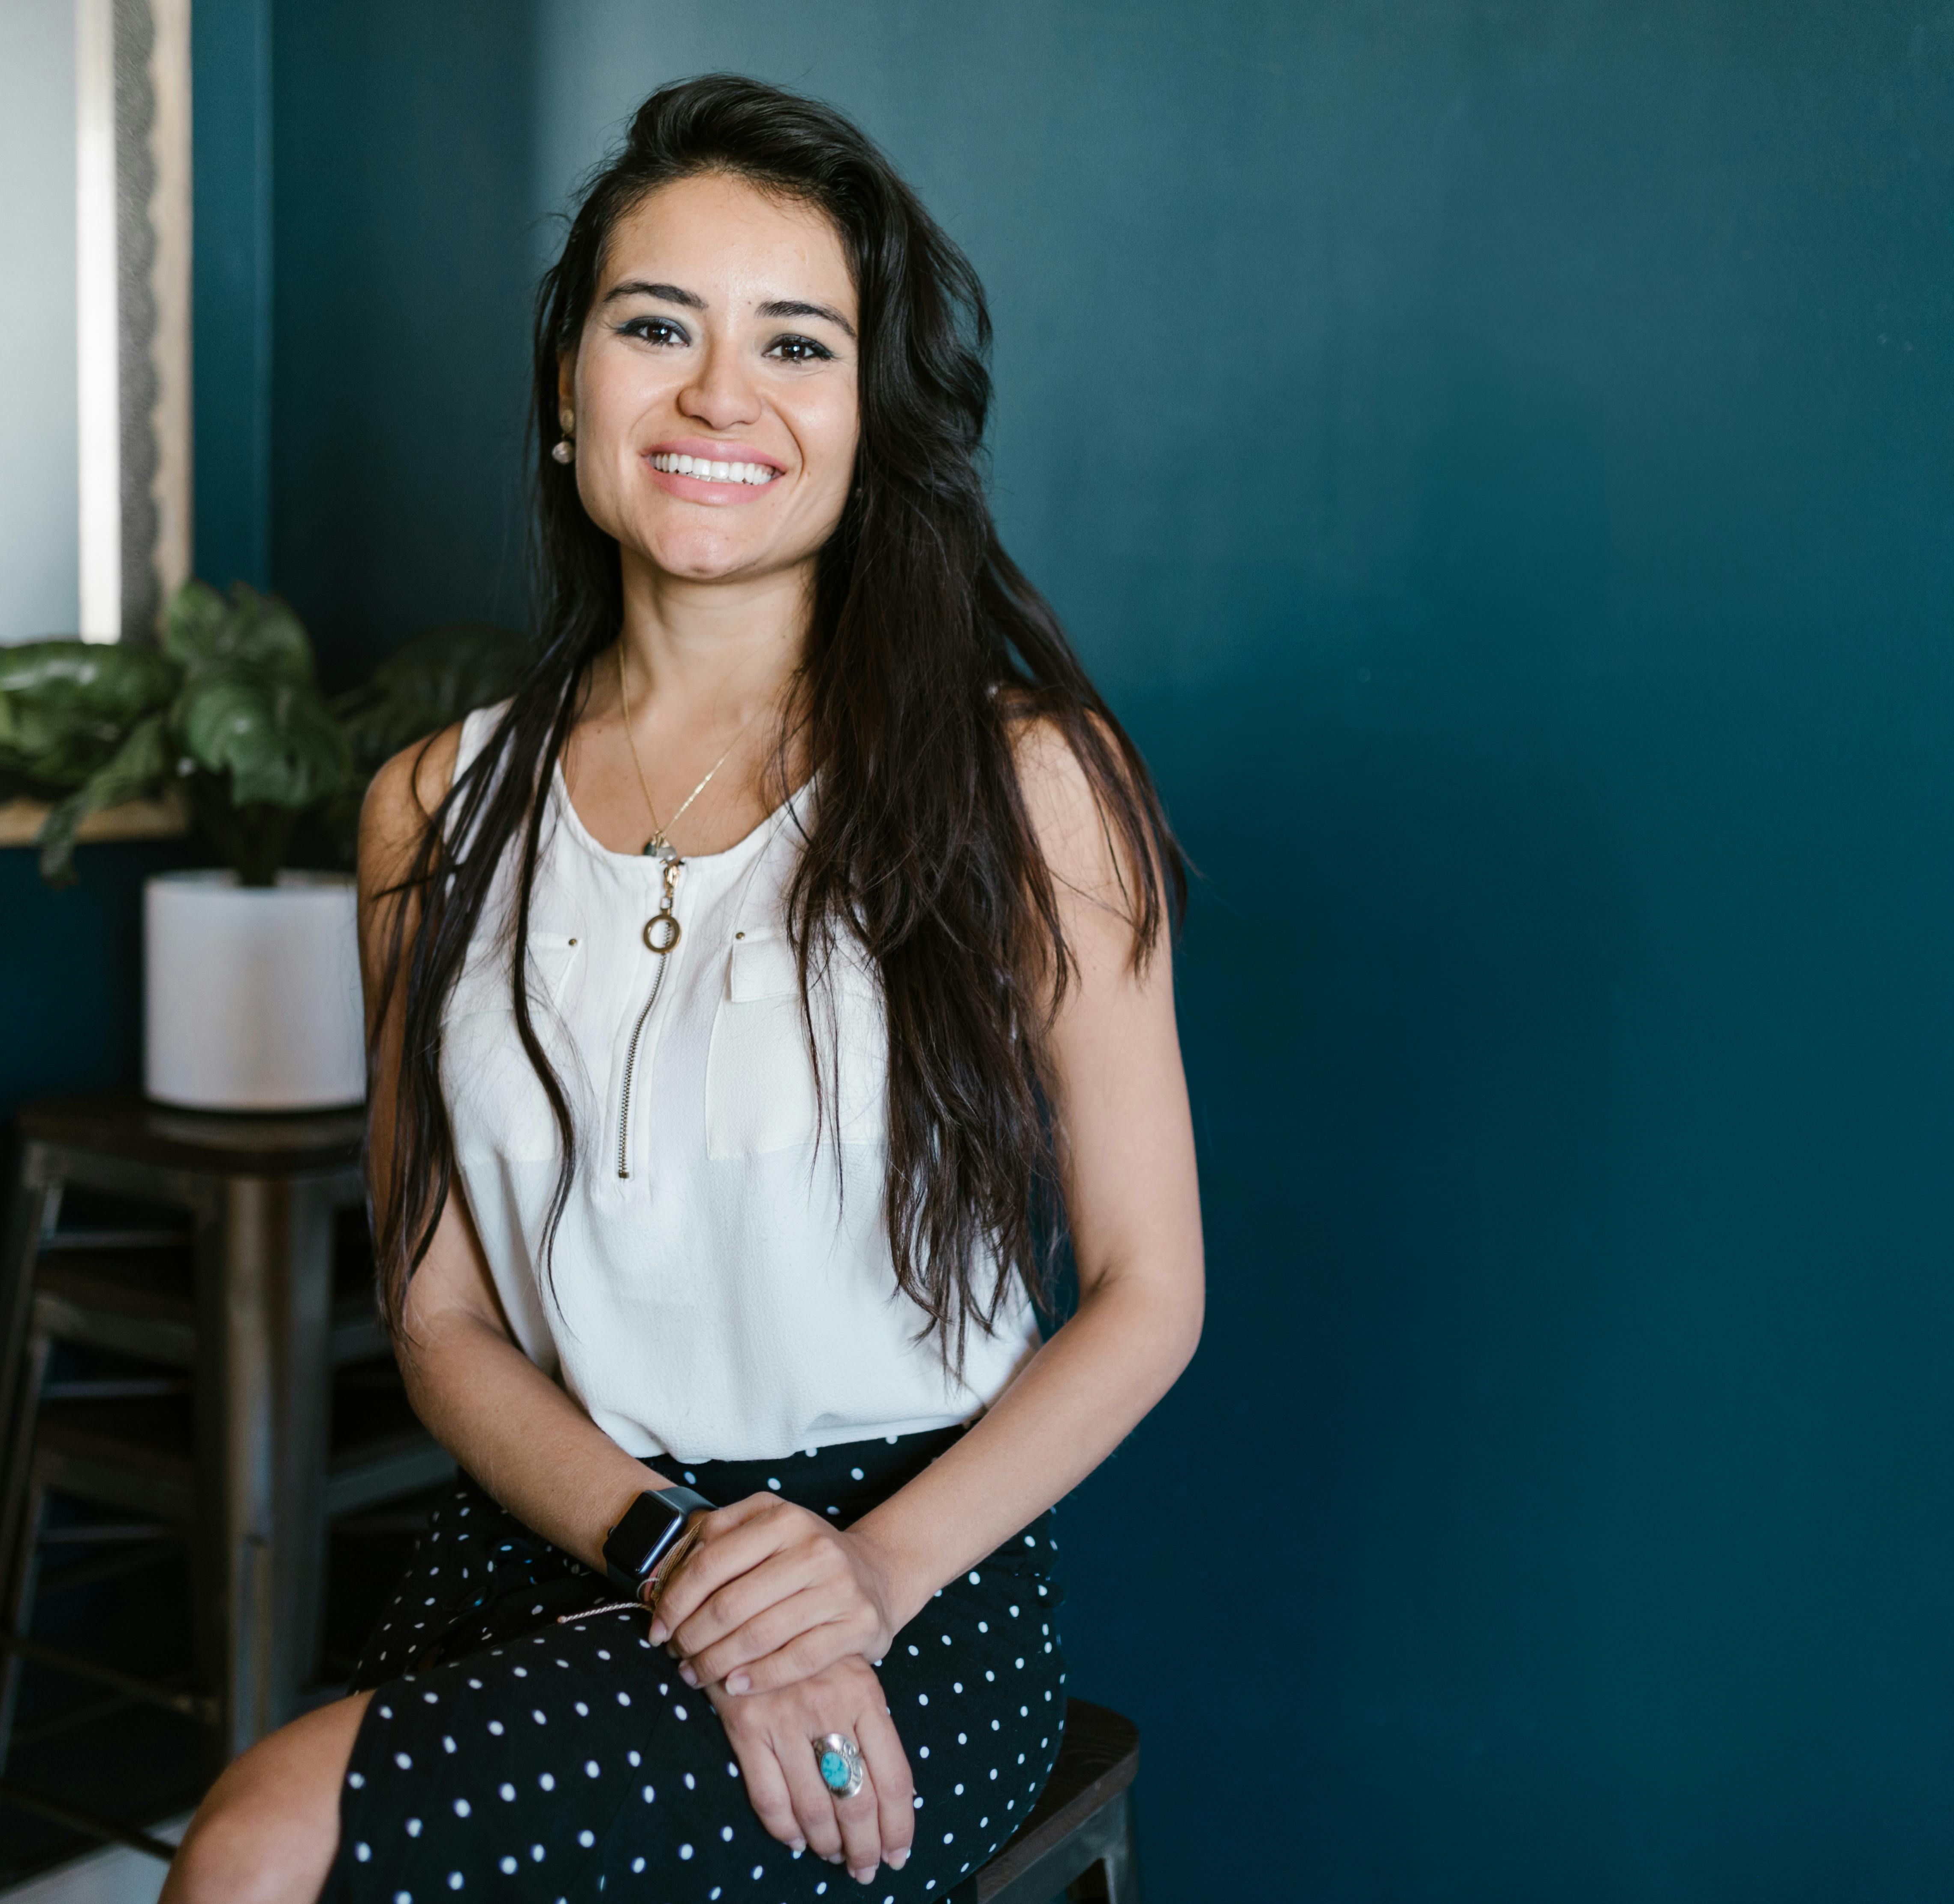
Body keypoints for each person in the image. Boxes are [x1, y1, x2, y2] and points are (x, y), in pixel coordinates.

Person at [163, 74, 1202, 1904]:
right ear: (571, 387)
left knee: (265, 1838)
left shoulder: (1026, 779)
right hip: (565, 1539)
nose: (721, 394)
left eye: (796, 344)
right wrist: (668, 1553)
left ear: (870, 419)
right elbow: (438, 1317)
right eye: (658, 327)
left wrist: (853, 1581)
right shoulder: (431, 812)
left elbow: (1147, 1297)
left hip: (916, 1573)